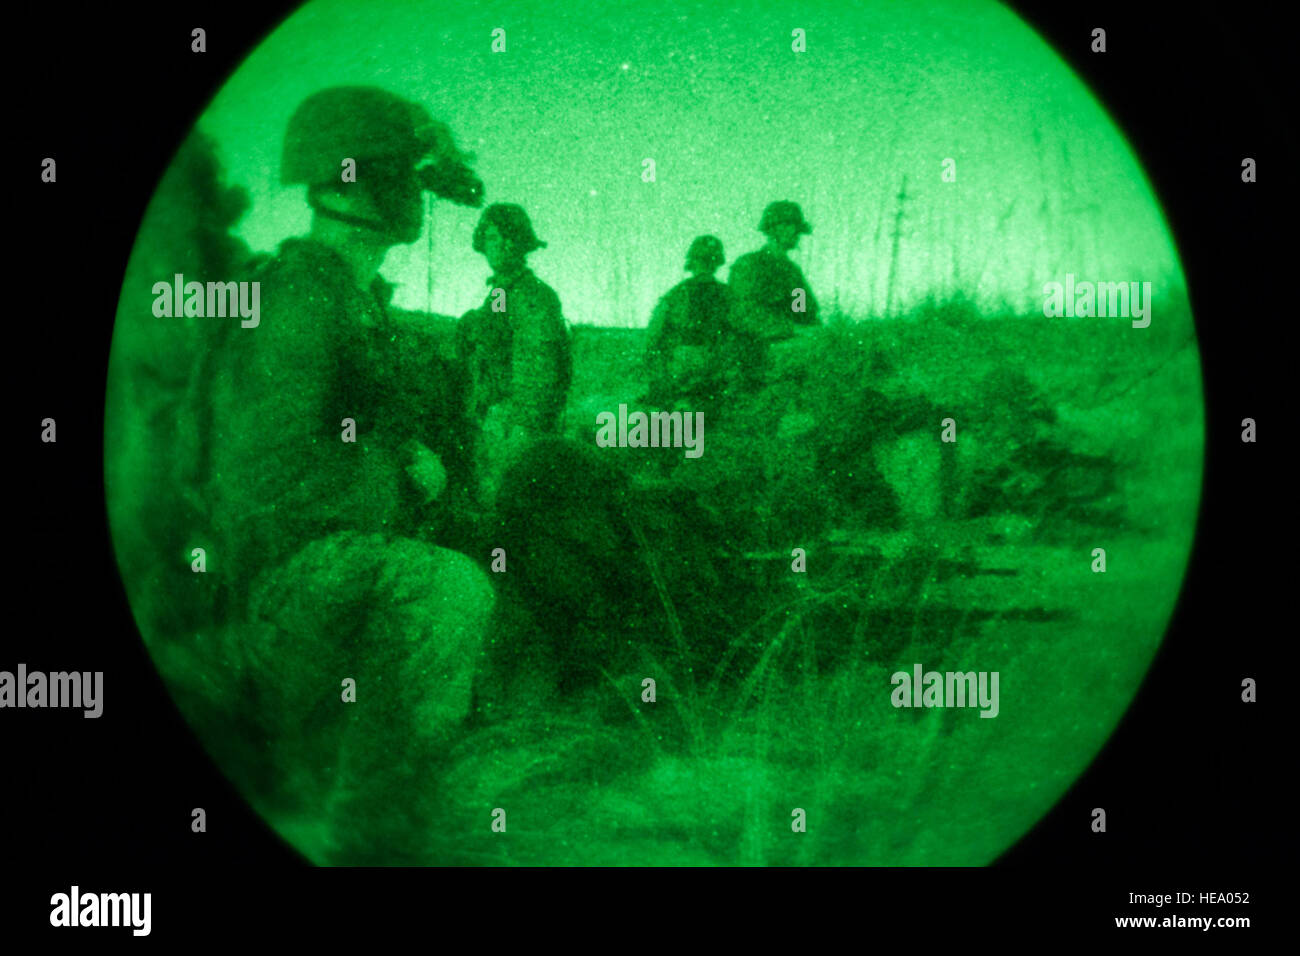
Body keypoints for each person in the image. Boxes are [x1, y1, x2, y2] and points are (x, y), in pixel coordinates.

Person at [199, 86, 494, 862]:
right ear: (366, 178)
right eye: (410, 177)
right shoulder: (299, 296)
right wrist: (395, 476)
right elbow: (264, 475)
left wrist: (414, 462)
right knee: (451, 590)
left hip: (324, 564)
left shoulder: (349, 297)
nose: (420, 199)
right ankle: (375, 840)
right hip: (279, 580)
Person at [455, 202, 572, 503]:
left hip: (514, 423)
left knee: (504, 506)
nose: (500, 246)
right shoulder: (500, 293)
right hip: (491, 419)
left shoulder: (532, 295)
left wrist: (522, 430)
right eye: (492, 237)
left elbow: (538, 367)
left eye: (508, 237)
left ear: (521, 244)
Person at [724, 200, 820, 389]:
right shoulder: (749, 265)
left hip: (787, 354)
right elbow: (744, 313)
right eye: (791, 226)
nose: (796, 233)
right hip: (753, 358)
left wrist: (816, 331)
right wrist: (791, 329)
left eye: (797, 228)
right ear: (774, 229)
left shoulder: (792, 272)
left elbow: (801, 312)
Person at [643, 234, 732, 405]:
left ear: (692, 262)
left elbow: (652, 339)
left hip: (681, 368)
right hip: (712, 369)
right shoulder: (729, 295)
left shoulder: (675, 294)